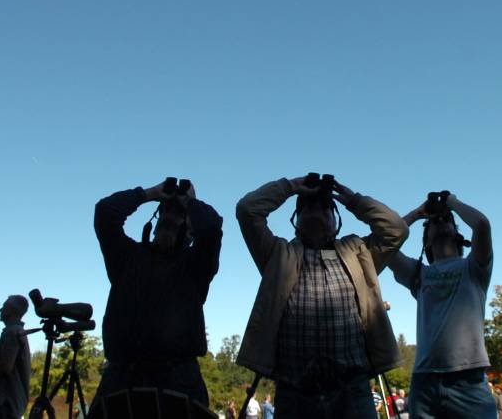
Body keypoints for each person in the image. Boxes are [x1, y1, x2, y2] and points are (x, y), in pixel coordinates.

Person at [236, 174, 409, 419]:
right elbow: (248, 209)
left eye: (324, 207)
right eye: (307, 206)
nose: (316, 210)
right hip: (295, 391)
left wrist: (352, 199)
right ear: (296, 221)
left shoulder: (359, 252)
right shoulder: (277, 254)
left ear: (336, 221)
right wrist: (293, 186)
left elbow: (396, 229)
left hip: (352, 390)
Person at [89, 179, 223, 414]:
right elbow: (105, 212)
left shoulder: (196, 266)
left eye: (179, 214)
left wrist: (188, 202)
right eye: (165, 211)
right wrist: (149, 194)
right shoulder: (127, 257)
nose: (170, 216)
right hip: (121, 378)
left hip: (178, 381)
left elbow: (212, 227)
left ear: (191, 228)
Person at [387, 191, 496, 418]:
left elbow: (482, 225)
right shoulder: (419, 274)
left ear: (458, 235)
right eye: (434, 221)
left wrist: (453, 204)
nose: (440, 221)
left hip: (469, 382)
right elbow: (385, 241)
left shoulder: (474, 268)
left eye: (447, 220)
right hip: (424, 382)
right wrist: (418, 213)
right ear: (425, 241)